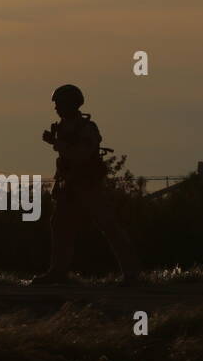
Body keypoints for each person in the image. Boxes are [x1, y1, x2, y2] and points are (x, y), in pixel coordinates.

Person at [30, 84, 139, 286]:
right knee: (60, 225)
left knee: (108, 225)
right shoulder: (64, 127)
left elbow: (81, 155)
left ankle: (131, 274)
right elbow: (65, 161)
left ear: (70, 104)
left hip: (88, 185)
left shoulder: (86, 128)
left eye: (59, 104)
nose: (56, 108)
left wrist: (56, 144)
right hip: (69, 185)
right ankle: (57, 272)